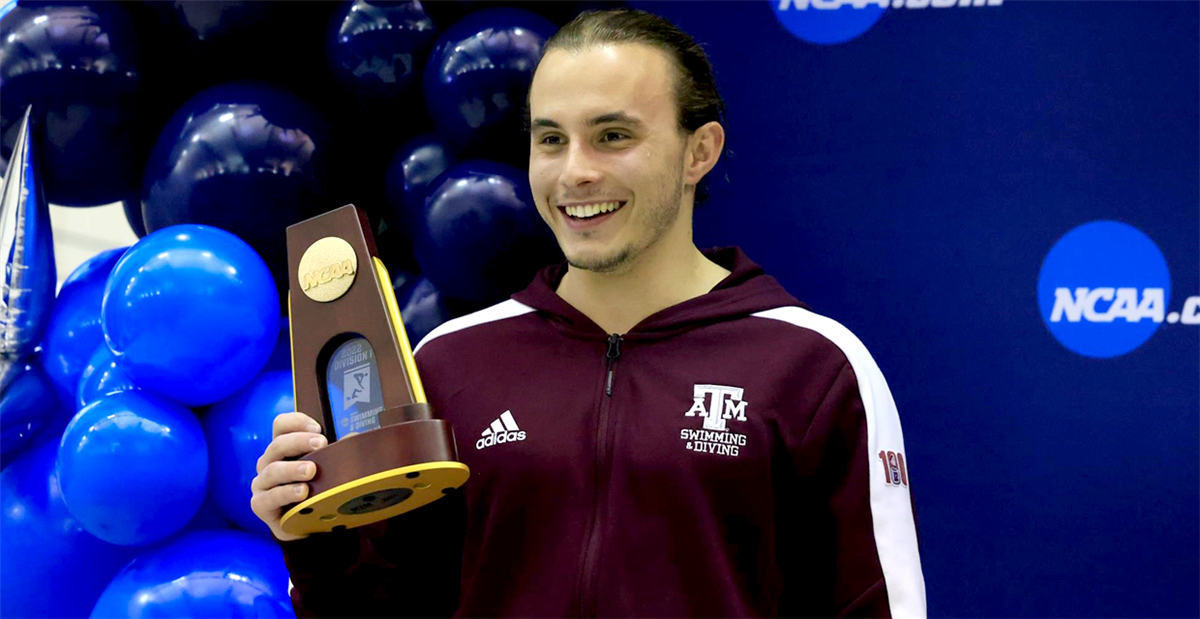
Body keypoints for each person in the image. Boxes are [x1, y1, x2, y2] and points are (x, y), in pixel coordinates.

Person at [251, 9, 926, 619]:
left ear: (700, 151)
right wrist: (312, 539)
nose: (574, 172)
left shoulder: (813, 365)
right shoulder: (448, 363)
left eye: (612, 135)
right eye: (551, 139)